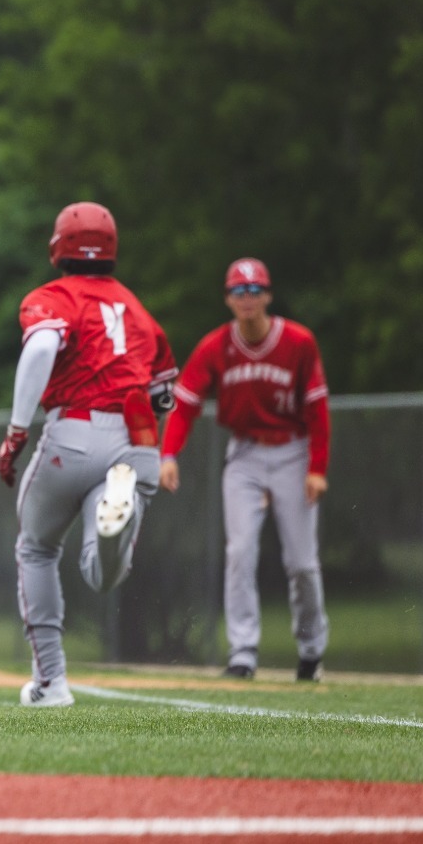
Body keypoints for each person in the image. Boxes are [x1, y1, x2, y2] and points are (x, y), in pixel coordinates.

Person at [0, 202, 178, 708]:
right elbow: (165, 393)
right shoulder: (139, 311)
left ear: (59, 247)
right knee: (103, 576)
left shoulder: (53, 297)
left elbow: (39, 350)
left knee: (37, 548)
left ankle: (52, 683)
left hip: (73, 431)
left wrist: (16, 432)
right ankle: (111, 525)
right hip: (134, 441)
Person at [159, 258, 331, 682]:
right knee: (240, 552)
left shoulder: (298, 341)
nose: (247, 298)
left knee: (302, 564)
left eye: (255, 291)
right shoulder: (216, 346)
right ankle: (243, 654)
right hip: (246, 455)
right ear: (228, 299)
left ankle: (311, 651)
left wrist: (317, 467)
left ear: (268, 296)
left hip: (293, 452)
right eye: (239, 291)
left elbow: (317, 408)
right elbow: (185, 403)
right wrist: (167, 454)